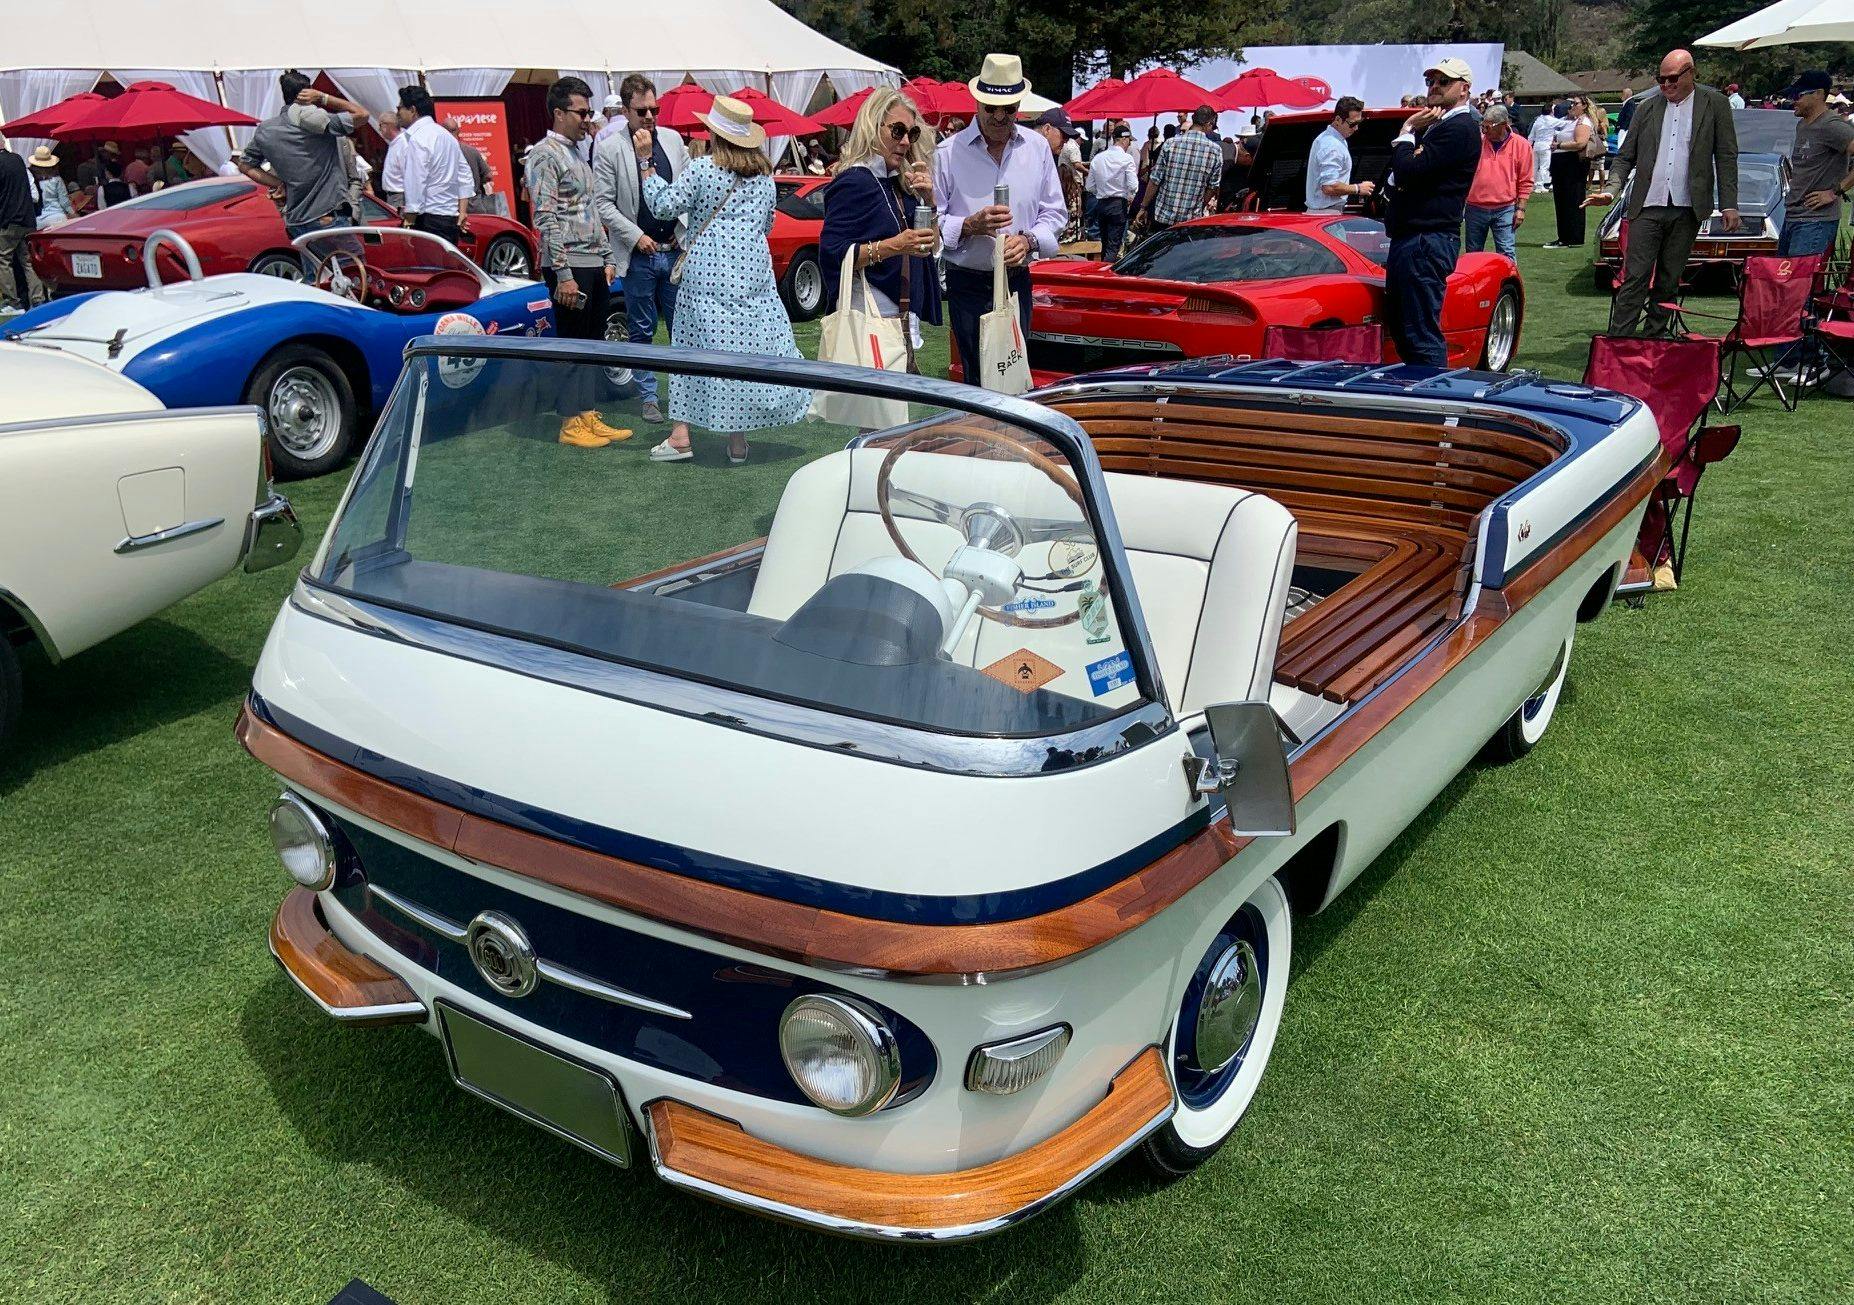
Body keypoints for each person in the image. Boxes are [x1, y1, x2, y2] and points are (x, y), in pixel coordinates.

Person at [636, 95, 809, 464]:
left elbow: (664, 206)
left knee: (692, 351)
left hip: (706, 276)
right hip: (752, 276)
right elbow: (767, 224)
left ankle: (681, 435)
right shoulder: (764, 179)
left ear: (715, 134)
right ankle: (737, 442)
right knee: (741, 354)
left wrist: (646, 164)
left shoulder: (702, 169)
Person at [931, 53, 1066, 381]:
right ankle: (979, 433)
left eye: (1008, 108)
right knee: (978, 379)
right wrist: (967, 225)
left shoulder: (1037, 148)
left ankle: (1008, 434)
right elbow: (931, 221)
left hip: (1017, 280)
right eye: (991, 107)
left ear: (1019, 104)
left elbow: (1055, 213)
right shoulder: (948, 153)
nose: (1000, 116)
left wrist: (1028, 240)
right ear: (977, 103)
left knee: (1015, 376)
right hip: (968, 281)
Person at [1601, 49, 1739, 336]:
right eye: (1661, 79)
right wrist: (1611, 190)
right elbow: (1625, 156)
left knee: (1669, 279)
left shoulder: (1715, 104)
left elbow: (1726, 156)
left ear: (1691, 73)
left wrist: (1729, 204)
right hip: (1647, 205)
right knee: (1635, 276)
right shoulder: (1646, 107)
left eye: (1673, 79)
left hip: (1687, 207)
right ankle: (1619, 341)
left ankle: (1655, 338)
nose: (1666, 85)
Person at [523, 76, 626, 448]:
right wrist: (564, 273)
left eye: (589, 112)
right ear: (559, 113)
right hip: (568, 264)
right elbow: (545, 217)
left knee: (592, 342)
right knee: (572, 344)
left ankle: (586, 413)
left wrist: (607, 256)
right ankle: (569, 420)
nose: (588, 119)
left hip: (592, 262)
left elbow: (592, 209)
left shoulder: (578, 153)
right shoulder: (544, 154)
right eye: (581, 112)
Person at [818, 86, 942, 372]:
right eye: (897, 131)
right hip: (871, 320)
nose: (906, 142)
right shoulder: (855, 182)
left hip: (900, 322)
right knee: (880, 414)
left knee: (898, 414)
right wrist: (894, 245)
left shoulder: (899, 182)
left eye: (912, 134)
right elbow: (832, 253)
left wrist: (929, 202)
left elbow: (931, 248)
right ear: (873, 127)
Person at [592, 73, 691, 424]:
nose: (650, 116)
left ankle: (686, 397)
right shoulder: (609, 148)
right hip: (638, 255)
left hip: (675, 250)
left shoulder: (674, 140)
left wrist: (685, 227)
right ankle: (649, 397)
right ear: (625, 110)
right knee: (642, 330)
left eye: (655, 109)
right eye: (642, 110)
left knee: (684, 329)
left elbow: (687, 190)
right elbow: (603, 203)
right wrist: (635, 236)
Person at [1382, 56, 1481, 367]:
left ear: (1464, 89)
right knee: (1404, 328)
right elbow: (1396, 174)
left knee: (1419, 333)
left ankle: (1433, 404)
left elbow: (1407, 171)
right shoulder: (1439, 126)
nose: (1435, 86)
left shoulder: (1460, 128)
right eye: (1431, 81)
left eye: (1444, 81)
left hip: (1426, 239)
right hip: (1415, 237)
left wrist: (1407, 129)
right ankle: (1419, 398)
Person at [241, 71, 371, 245]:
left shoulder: (266, 130)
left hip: (296, 219)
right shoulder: (319, 123)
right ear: (308, 95)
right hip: (327, 215)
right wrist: (323, 97)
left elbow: (245, 165)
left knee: (316, 271)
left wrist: (279, 183)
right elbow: (362, 114)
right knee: (353, 268)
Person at [1775, 70, 1854, 258]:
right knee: (1785, 281)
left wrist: (1835, 191)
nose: (1792, 100)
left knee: (1801, 284)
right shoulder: (1802, 124)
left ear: (1818, 94)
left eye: (1797, 95)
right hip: (1793, 216)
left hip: (1815, 223)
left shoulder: (1831, 126)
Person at [387, 86, 471, 243]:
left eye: (399, 108)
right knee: (447, 267)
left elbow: (416, 182)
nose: (397, 113)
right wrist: (463, 211)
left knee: (429, 266)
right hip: (449, 218)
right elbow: (465, 173)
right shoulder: (447, 136)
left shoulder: (419, 138)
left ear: (412, 110)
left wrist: (409, 223)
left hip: (428, 219)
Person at [1139, 104, 1224, 230]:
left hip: (1163, 215)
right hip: (1191, 219)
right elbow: (1213, 186)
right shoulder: (1215, 151)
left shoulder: (1170, 144)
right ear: (1209, 124)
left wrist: (1143, 207)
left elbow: (1155, 180)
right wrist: (1200, 205)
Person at [1464, 104, 1533, 258]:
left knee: (1506, 252)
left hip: (1505, 208)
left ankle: (1510, 282)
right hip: (1475, 207)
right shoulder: (1477, 143)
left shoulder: (1522, 145)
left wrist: (1521, 209)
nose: (1484, 131)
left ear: (1503, 125)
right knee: (1473, 254)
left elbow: (1526, 180)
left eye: (1488, 127)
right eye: (1483, 126)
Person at [1543, 95, 1595, 247]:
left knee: (1572, 199)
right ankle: (1564, 236)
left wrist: (1558, 145)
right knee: (1562, 200)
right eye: (1570, 103)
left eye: (1575, 103)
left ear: (1584, 105)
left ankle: (1573, 237)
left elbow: (1580, 143)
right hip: (1561, 162)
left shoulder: (1583, 121)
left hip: (1572, 163)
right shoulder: (1569, 120)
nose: (1571, 106)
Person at [0, 143, 47, 310]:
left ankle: (11, 300)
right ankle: (38, 299)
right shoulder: (18, 160)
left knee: (3, 260)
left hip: (7, 220)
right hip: (27, 219)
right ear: (3, 143)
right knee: (28, 261)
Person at [1305, 96, 1371, 212]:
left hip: (1326, 211)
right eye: (1352, 124)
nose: (1356, 128)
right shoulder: (1332, 145)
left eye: (1359, 122)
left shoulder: (1332, 139)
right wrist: (1358, 188)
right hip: (1326, 213)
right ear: (1338, 120)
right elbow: (1329, 186)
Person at [1032, 106, 1086, 240]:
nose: (1067, 141)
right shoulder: (1024, 155)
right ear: (1047, 129)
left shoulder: (1044, 158)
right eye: (1064, 135)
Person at [1086, 123, 1138, 259]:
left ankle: (1102, 270)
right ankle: (1105, 274)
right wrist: (1128, 195)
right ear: (1124, 140)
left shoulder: (1098, 158)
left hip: (1102, 204)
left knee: (1105, 243)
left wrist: (1102, 190)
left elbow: (1089, 186)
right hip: (1118, 204)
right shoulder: (1127, 159)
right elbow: (1133, 185)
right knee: (1113, 246)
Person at [446, 118, 499, 215]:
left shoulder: (441, 153)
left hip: (452, 207)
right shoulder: (471, 151)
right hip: (475, 206)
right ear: (459, 131)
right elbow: (489, 176)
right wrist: (478, 180)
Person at [29, 146, 75, 229]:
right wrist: (72, 213)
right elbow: (64, 201)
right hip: (57, 216)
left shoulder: (31, 180)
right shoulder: (57, 179)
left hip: (38, 219)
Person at [1529, 100, 1565, 191]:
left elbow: (1531, 136)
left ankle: (1532, 185)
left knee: (1534, 167)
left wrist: (1528, 147)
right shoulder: (1551, 120)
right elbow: (1561, 127)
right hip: (1546, 147)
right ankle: (1539, 185)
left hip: (1536, 146)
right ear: (1551, 111)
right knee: (1544, 167)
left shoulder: (1537, 121)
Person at [374, 113, 405, 206]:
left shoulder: (403, 143)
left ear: (387, 125)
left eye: (380, 125)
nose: (379, 129)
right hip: (393, 195)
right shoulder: (394, 143)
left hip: (400, 195)